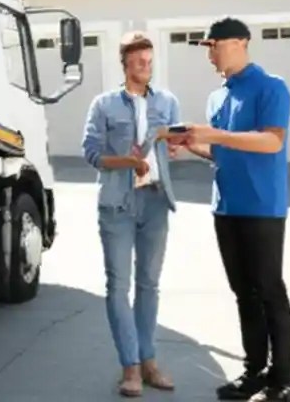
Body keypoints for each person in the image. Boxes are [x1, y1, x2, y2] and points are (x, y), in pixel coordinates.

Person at [167, 17, 290, 402]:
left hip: (262, 207)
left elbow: (271, 142)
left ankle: (281, 381)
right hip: (226, 208)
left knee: (269, 291)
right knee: (243, 292)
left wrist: (215, 135)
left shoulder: (272, 87)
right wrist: (191, 145)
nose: (210, 53)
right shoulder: (217, 97)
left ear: (240, 42)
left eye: (215, 45)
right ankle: (254, 372)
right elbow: (221, 152)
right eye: (207, 47)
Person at [81, 31, 181, 397]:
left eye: (150, 61)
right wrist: (126, 161)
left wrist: (176, 150)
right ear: (125, 64)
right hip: (117, 204)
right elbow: (90, 152)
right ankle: (131, 367)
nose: (146, 67)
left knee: (149, 285)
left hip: (155, 202)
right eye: (139, 62)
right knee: (118, 287)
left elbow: (174, 143)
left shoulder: (167, 102)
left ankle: (149, 360)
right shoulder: (104, 104)